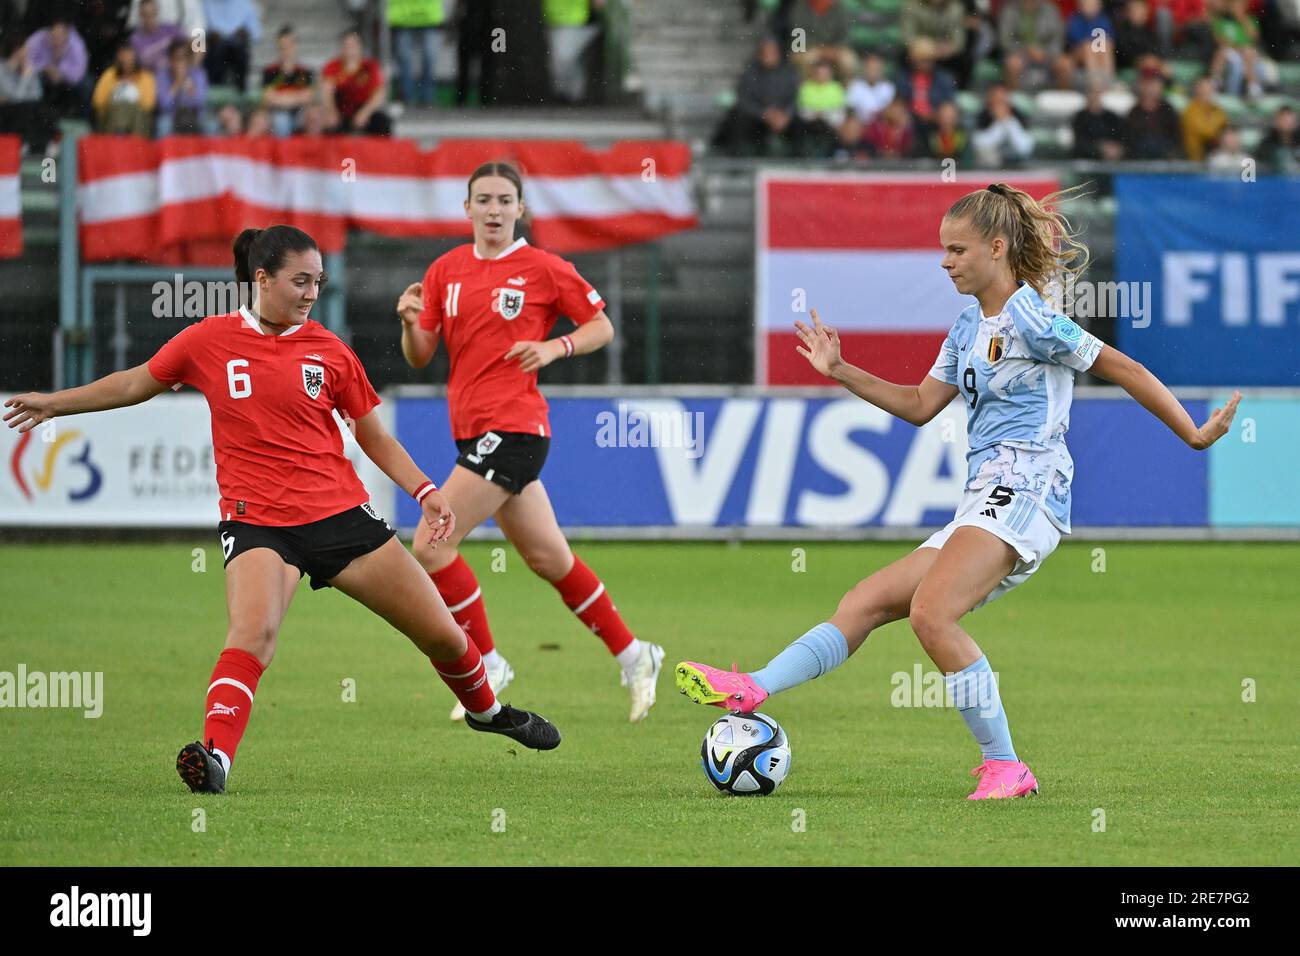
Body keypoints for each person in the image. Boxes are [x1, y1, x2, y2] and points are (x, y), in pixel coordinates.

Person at [674, 182, 1242, 800]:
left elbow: (1123, 367)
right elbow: (920, 405)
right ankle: (754, 686)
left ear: (996, 248)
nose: (944, 262)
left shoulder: (1034, 317)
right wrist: (840, 370)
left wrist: (1191, 432)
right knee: (866, 601)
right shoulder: (970, 324)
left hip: (1029, 484)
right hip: (984, 495)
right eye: (943, 250)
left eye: (956, 250)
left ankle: (1006, 766)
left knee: (932, 614)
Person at [3, 225, 562, 795]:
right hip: (258, 524)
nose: (311, 292)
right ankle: (215, 756)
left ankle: (488, 713)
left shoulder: (329, 349)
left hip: (344, 521)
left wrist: (425, 490)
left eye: (317, 281)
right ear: (261, 279)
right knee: (254, 635)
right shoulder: (208, 340)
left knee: (443, 637)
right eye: (300, 280)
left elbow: (373, 436)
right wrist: (53, 403)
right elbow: (133, 384)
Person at [395, 162, 665, 724]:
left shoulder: (543, 268)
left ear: (521, 209)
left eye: (505, 200)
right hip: (475, 434)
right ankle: (637, 655)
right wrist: (407, 323)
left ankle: (487, 661)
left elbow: (601, 326)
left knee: (430, 543)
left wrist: (554, 349)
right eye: (483, 199)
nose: (494, 210)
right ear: (466, 208)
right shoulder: (445, 270)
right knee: (550, 558)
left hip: (516, 428)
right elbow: (420, 354)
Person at [321, 28, 391, 136]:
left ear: (360, 47)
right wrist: (331, 112)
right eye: (346, 46)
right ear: (341, 48)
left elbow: (379, 94)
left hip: (363, 108)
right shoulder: (332, 66)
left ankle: (379, 152)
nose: (350, 50)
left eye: (353, 46)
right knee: (328, 124)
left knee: (383, 122)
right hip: (341, 110)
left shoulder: (371, 67)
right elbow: (326, 92)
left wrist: (365, 112)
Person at [387, 0, 446, 106]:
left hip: (422, 16)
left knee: (428, 58)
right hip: (404, 17)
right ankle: (407, 96)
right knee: (405, 58)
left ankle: (425, 97)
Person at [261, 25, 314, 137]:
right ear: (278, 47)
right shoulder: (270, 71)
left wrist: (282, 97)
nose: (286, 50)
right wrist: (296, 97)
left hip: (300, 112)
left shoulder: (304, 71)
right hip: (277, 113)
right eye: (283, 46)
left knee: (313, 117)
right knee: (282, 121)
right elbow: (269, 98)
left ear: (295, 46)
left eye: (289, 45)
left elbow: (308, 97)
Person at [92, 42, 156, 135]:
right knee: (116, 109)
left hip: (137, 117)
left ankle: (134, 145)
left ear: (135, 58)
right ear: (118, 58)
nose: (126, 61)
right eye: (123, 58)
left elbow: (148, 105)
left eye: (129, 57)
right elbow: (98, 102)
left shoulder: (146, 77)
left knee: (136, 112)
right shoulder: (109, 74)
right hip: (112, 114)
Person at [155, 36, 207, 135]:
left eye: (184, 58)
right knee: (163, 124)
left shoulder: (198, 74)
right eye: (177, 59)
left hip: (194, 115)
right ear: (170, 61)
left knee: (210, 124)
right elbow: (163, 105)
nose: (181, 63)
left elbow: (200, 101)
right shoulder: (162, 76)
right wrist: (177, 83)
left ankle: (207, 151)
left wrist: (191, 90)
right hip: (172, 115)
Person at [1182, 75, 1228, 161]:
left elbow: (1225, 125)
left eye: (1210, 88)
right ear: (1196, 90)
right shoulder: (1190, 111)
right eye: (1204, 88)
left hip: (1214, 154)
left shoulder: (1216, 109)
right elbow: (1207, 132)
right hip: (1196, 158)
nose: (1208, 91)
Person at [130, 0, 183, 73]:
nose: (149, 18)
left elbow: (187, 46)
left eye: (152, 13)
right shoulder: (135, 40)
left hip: (173, 74)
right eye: (146, 14)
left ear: (157, 11)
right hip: (151, 79)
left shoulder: (170, 29)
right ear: (140, 14)